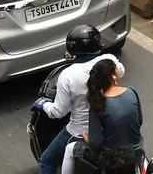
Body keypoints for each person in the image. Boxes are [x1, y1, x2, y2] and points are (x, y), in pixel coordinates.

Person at [34, 26, 124, 174]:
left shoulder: (68, 75)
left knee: (47, 160)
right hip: (109, 126)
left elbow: (58, 112)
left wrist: (42, 104)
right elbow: (120, 72)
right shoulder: (110, 61)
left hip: (78, 132)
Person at [85, 57, 144, 171]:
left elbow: (95, 142)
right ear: (113, 76)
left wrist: (88, 139)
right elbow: (139, 122)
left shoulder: (98, 104)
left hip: (113, 160)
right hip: (137, 152)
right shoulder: (131, 91)